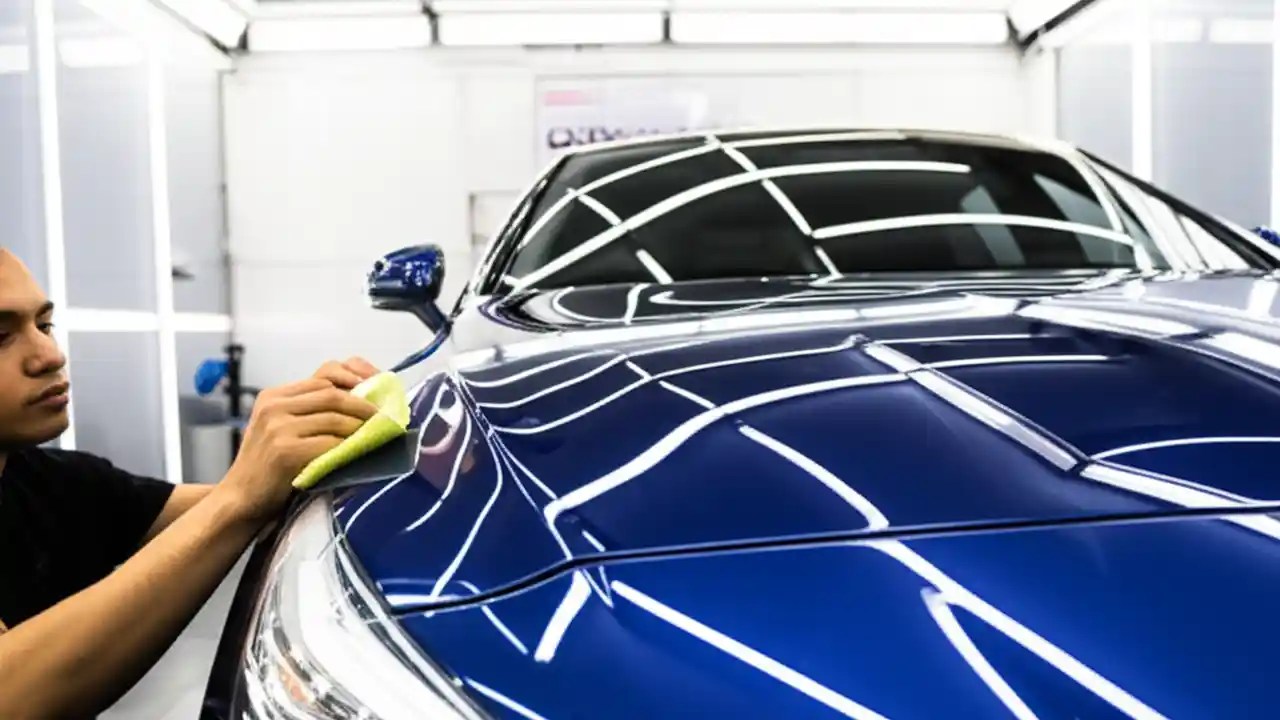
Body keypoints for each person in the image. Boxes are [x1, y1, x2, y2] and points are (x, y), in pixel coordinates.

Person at [0, 248, 382, 718]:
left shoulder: (50, 482)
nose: (49, 356)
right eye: (1, 337)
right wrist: (240, 497)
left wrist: (333, 441)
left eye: (44, 325)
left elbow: (248, 504)